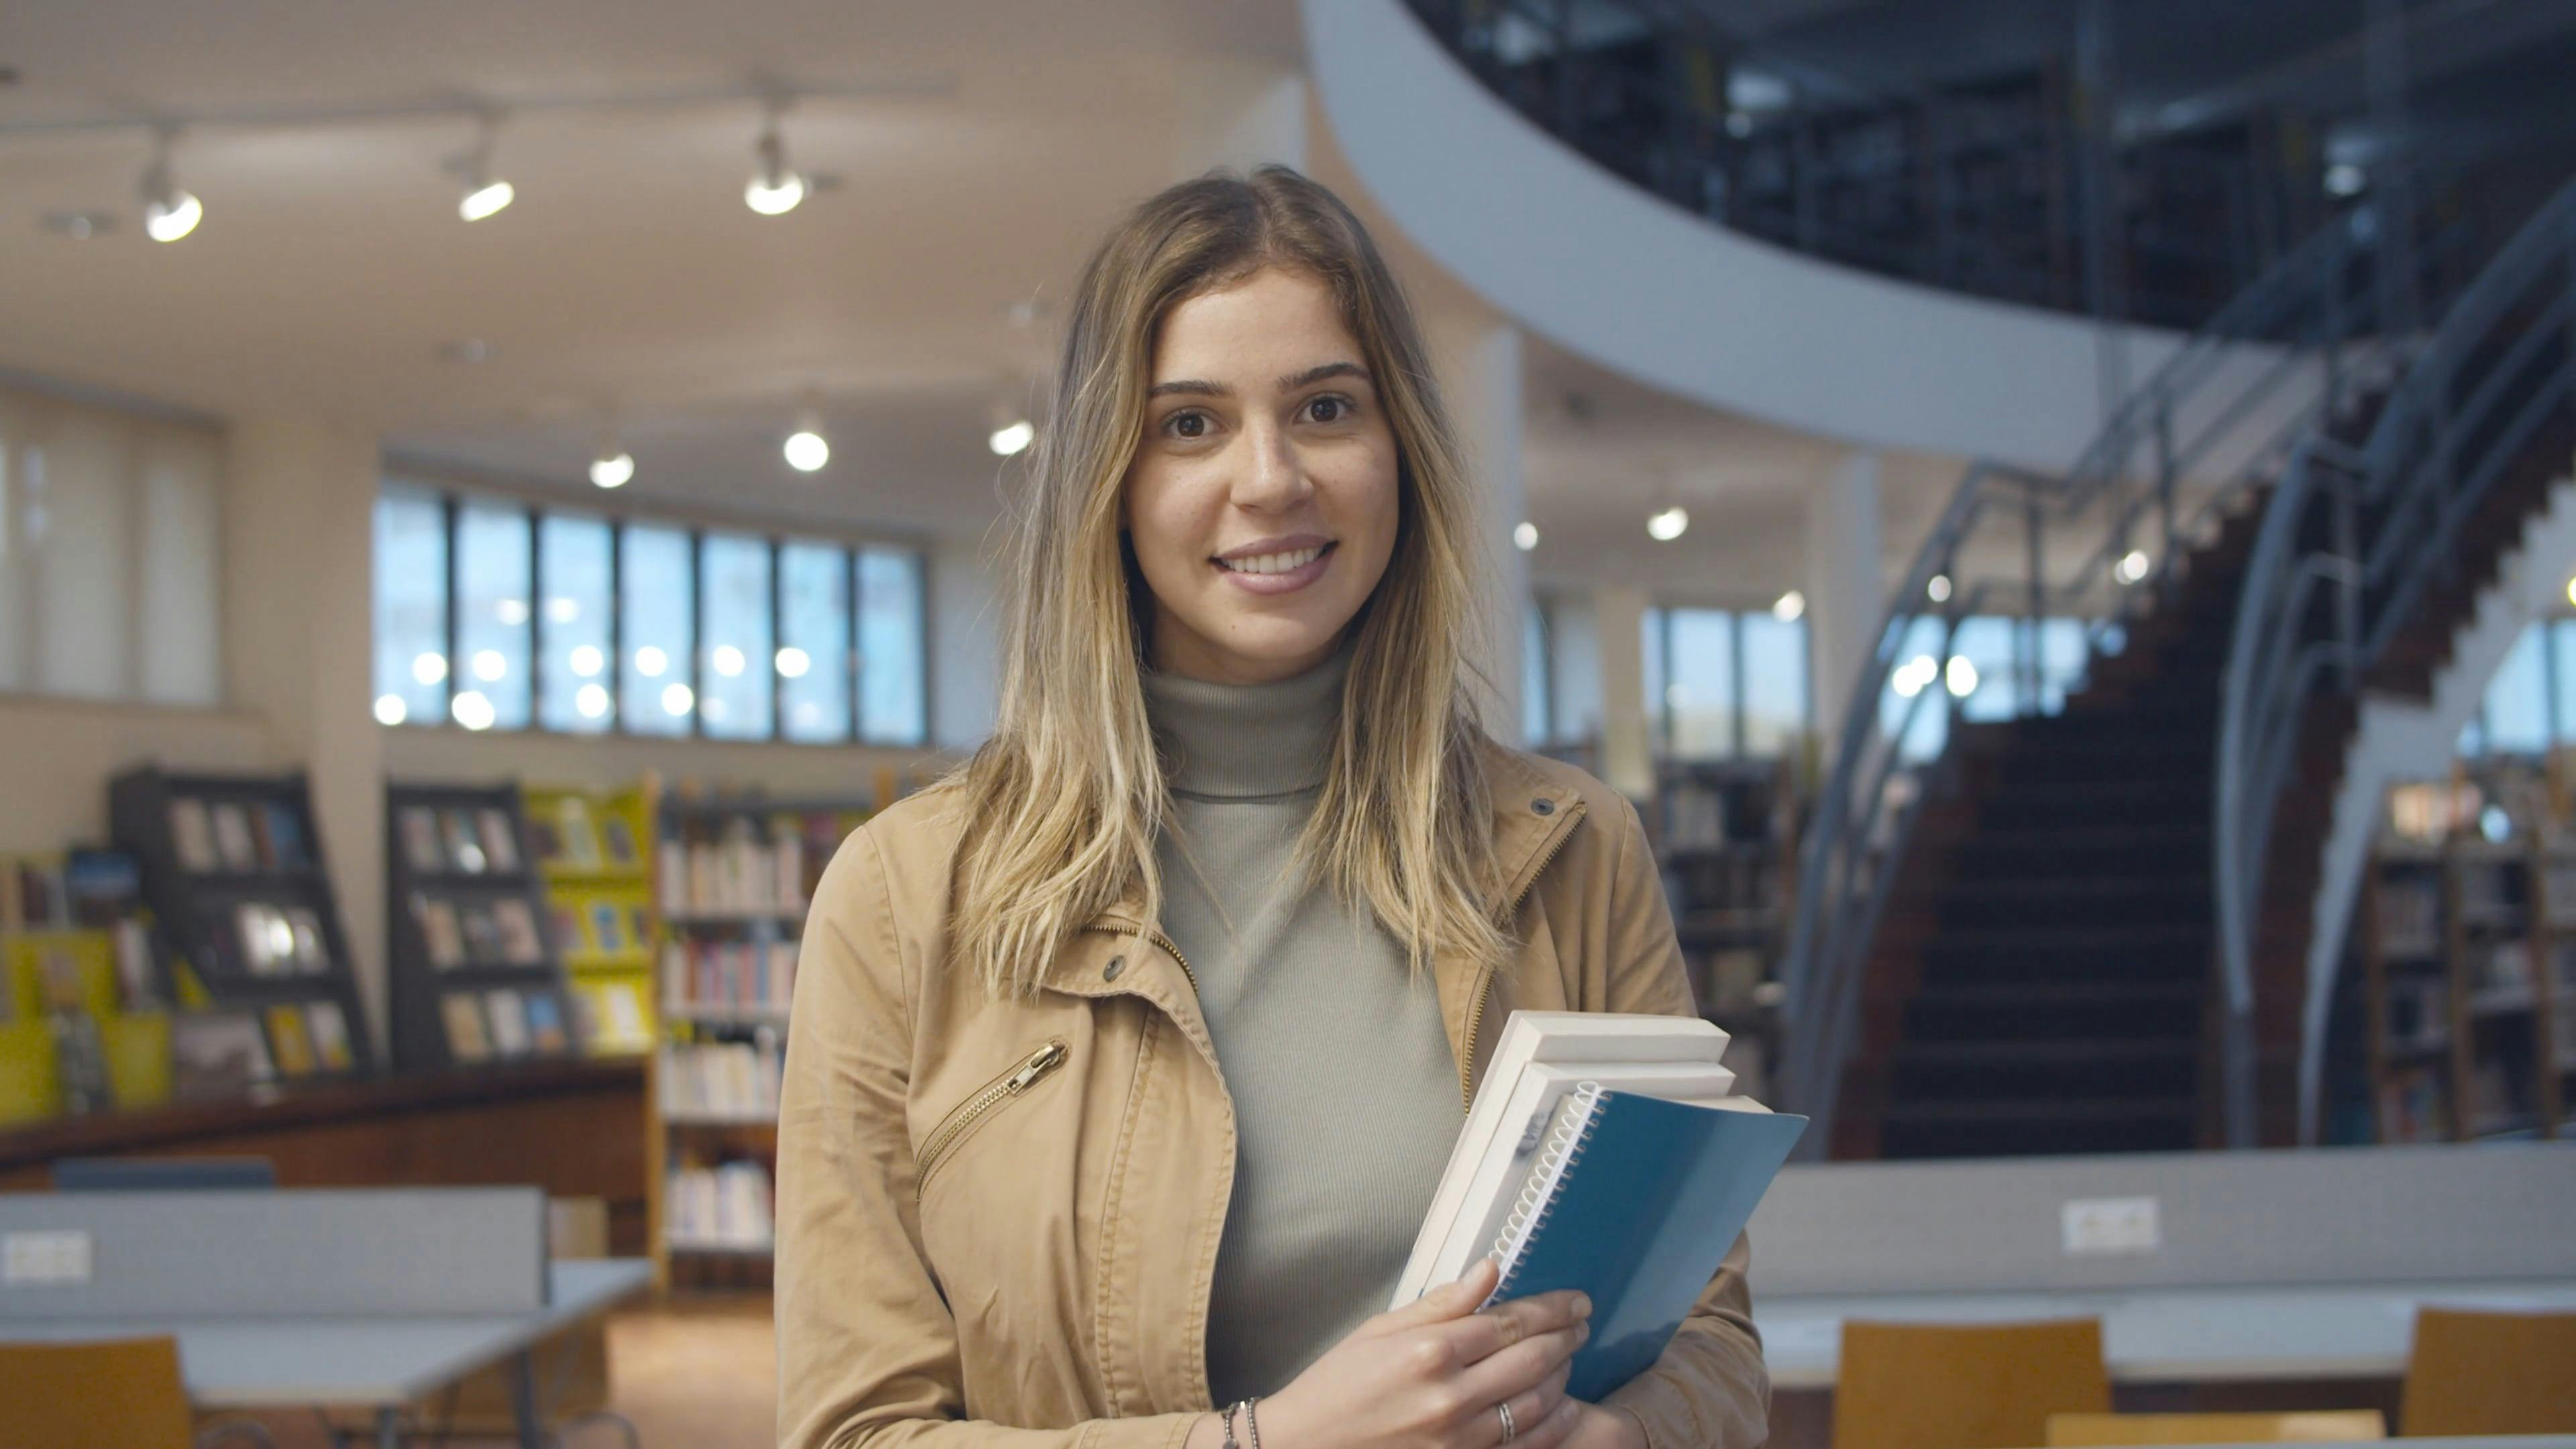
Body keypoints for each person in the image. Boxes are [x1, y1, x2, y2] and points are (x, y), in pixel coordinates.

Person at [775, 165, 1766, 1449]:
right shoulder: (907, 898)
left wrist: (1622, 1439)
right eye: (1190, 424)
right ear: (1108, 478)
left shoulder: (1574, 850)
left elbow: (1712, 1343)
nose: (1270, 478)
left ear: (1399, 448)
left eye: (1325, 408)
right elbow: (852, 1434)